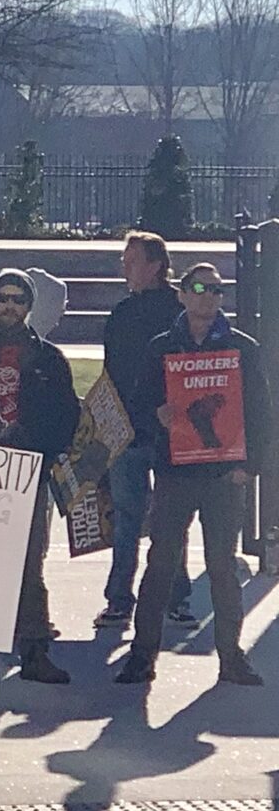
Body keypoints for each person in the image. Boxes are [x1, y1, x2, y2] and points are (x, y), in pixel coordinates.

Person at [117, 263, 268, 687]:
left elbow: (261, 413)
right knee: (160, 564)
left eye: (217, 290)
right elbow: (138, 404)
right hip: (175, 474)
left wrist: (249, 466)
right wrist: (156, 416)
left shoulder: (242, 348)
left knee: (223, 568)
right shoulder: (162, 347)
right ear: (181, 294)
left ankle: (231, 657)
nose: (208, 296)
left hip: (225, 477)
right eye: (199, 287)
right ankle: (142, 655)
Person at [0, 270, 80, 685]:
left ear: (29, 306)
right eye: (1, 297)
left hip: (28, 470)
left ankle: (34, 650)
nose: (9, 305)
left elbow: (67, 415)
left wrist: (45, 452)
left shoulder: (49, 358)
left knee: (27, 562)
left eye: (18, 299)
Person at [100, 231, 195, 629]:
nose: (125, 267)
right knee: (126, 517)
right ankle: (120, 598)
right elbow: (112, 373)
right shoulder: (122, 313)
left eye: (132, 260)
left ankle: (175, 595)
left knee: (171, 519)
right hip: (129, 431)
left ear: (156, 265)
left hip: (174, 432)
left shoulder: (181, 311)